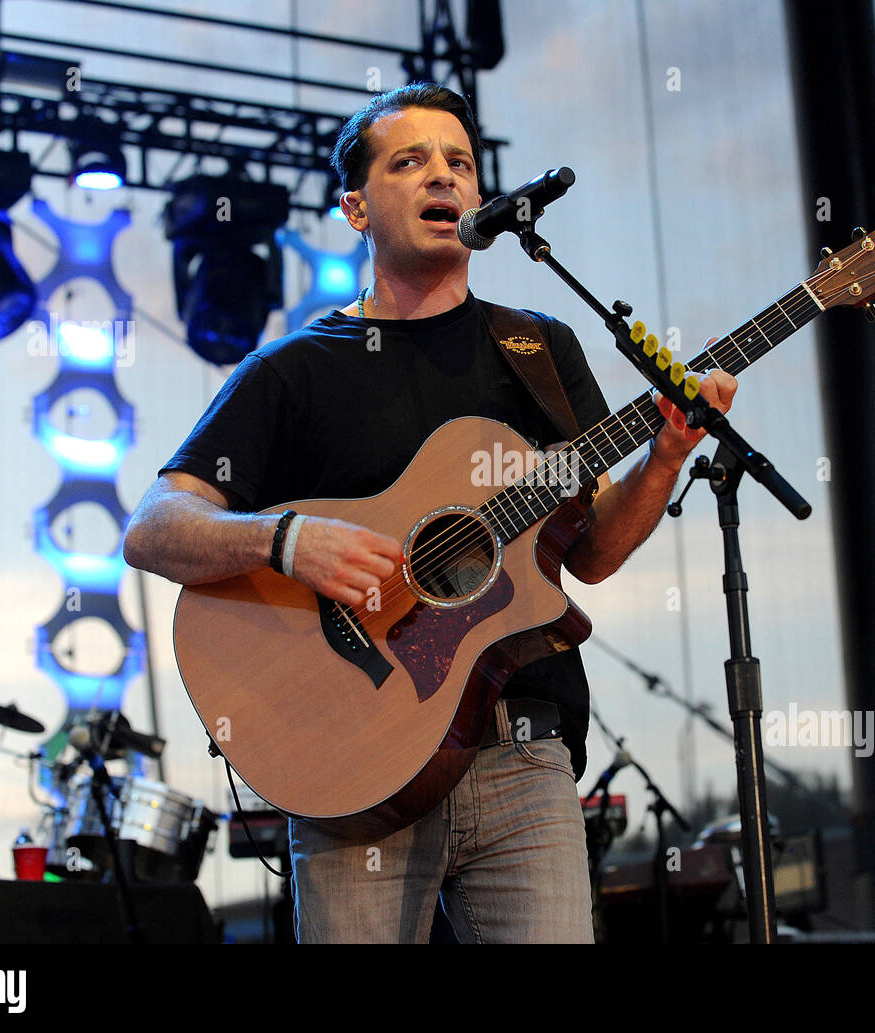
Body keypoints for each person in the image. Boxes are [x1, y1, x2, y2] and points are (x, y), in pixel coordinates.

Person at [122, 83, 736, 943]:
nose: (440, 176)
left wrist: (666, 455)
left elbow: (591, 552)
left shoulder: (539, 351)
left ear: (481, 202)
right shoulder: (292, 371)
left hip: (524, 752)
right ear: (355, 206)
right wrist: (287, 538)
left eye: (459, 163)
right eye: (408, 161)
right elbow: (152, 527)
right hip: (352, 763)